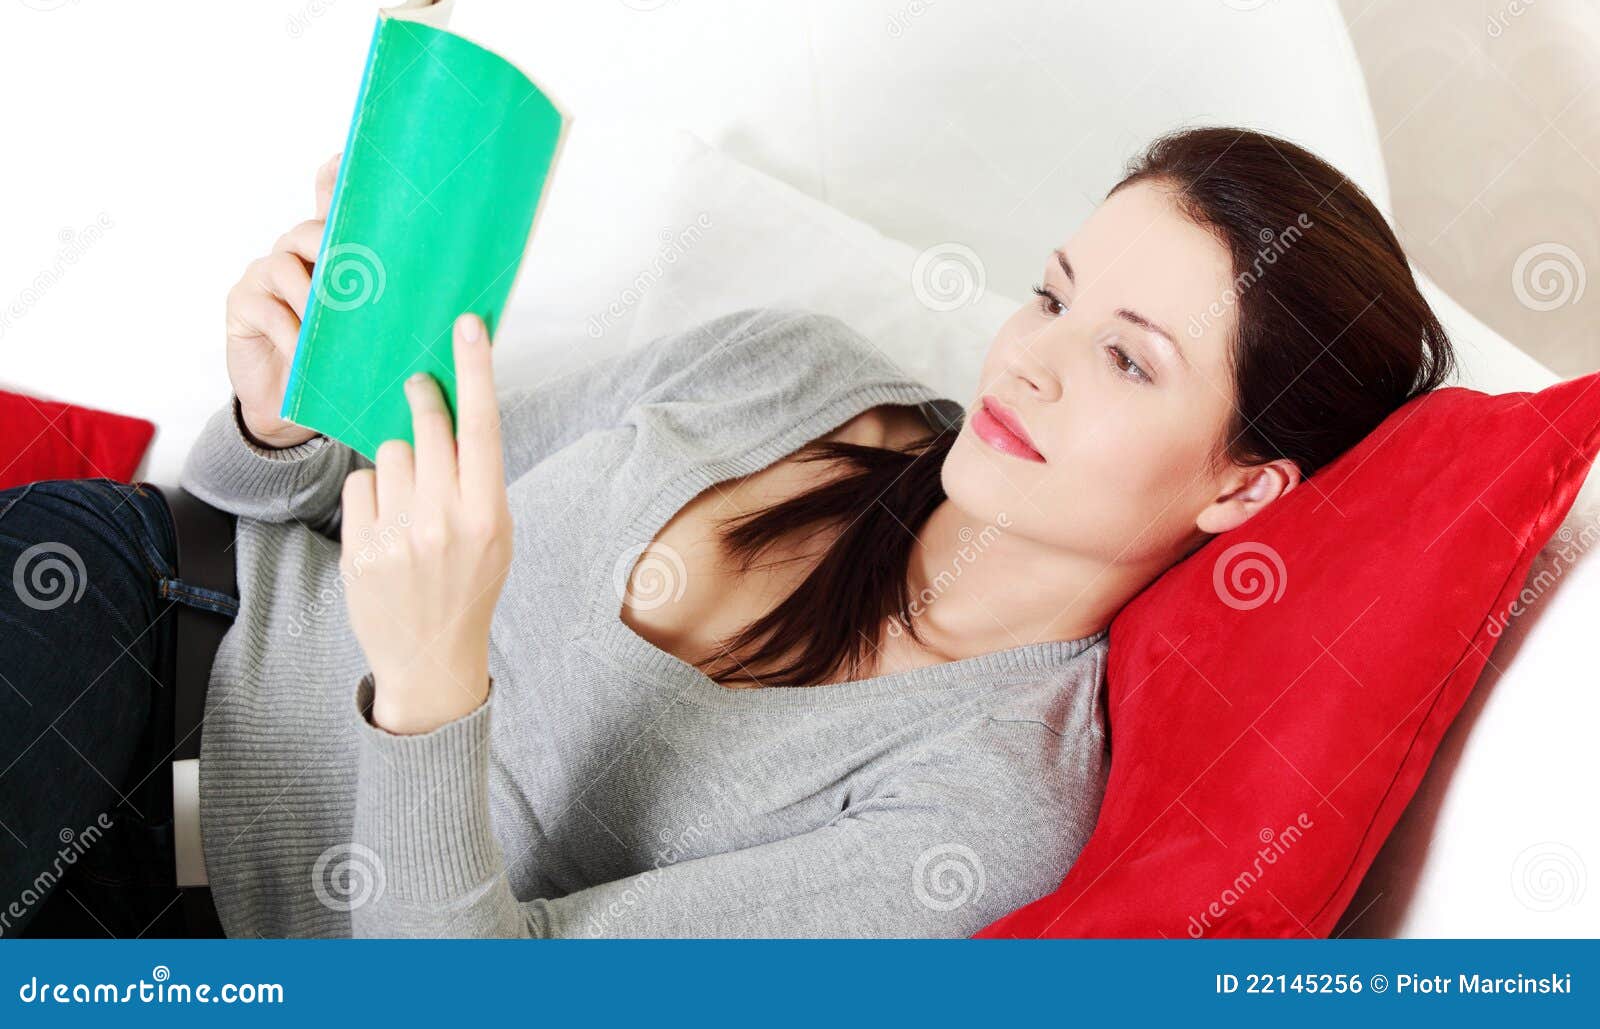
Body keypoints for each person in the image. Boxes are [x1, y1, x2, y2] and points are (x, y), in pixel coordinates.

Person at [0, 127, 1455, 938]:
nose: (1030, 360)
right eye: (1053, 291)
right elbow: (273, 520)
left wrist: (435, 685)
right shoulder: (791, 367)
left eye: (1130, 358)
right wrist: (278, 423)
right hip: (123, 622)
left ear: (1244, 489)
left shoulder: (982, 807)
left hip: (190, 921)